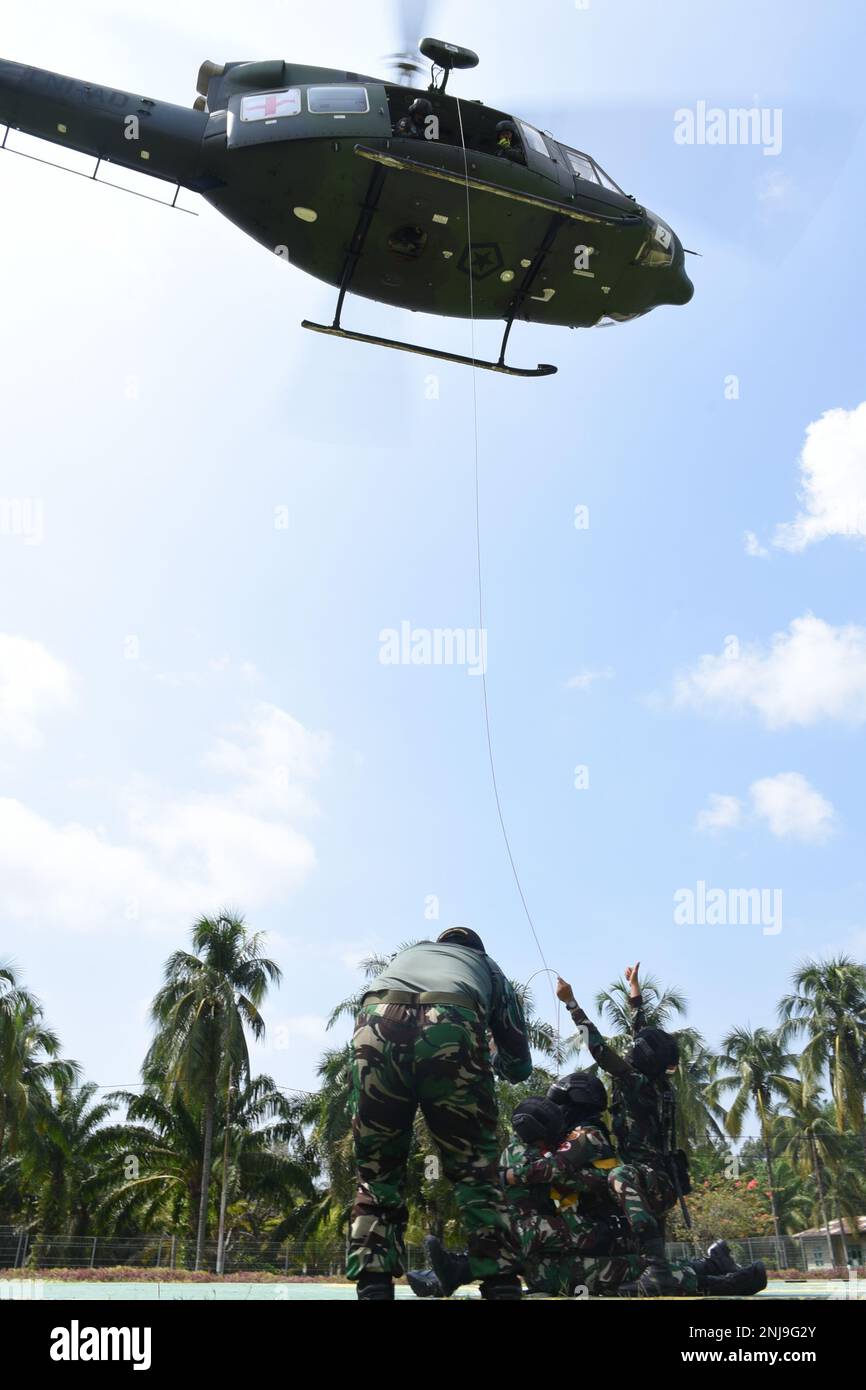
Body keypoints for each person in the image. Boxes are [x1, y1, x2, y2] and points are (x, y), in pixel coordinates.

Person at [348, 926, 532, 1300]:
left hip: (376, 1017)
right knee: (475, 1168)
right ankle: (500, 1286)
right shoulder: (488, 967)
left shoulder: (410, 955)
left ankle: (373, 1285)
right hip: (452, 1017)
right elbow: (518, 1067)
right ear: (477, 950)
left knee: (377, 1168)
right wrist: (491, 1055)